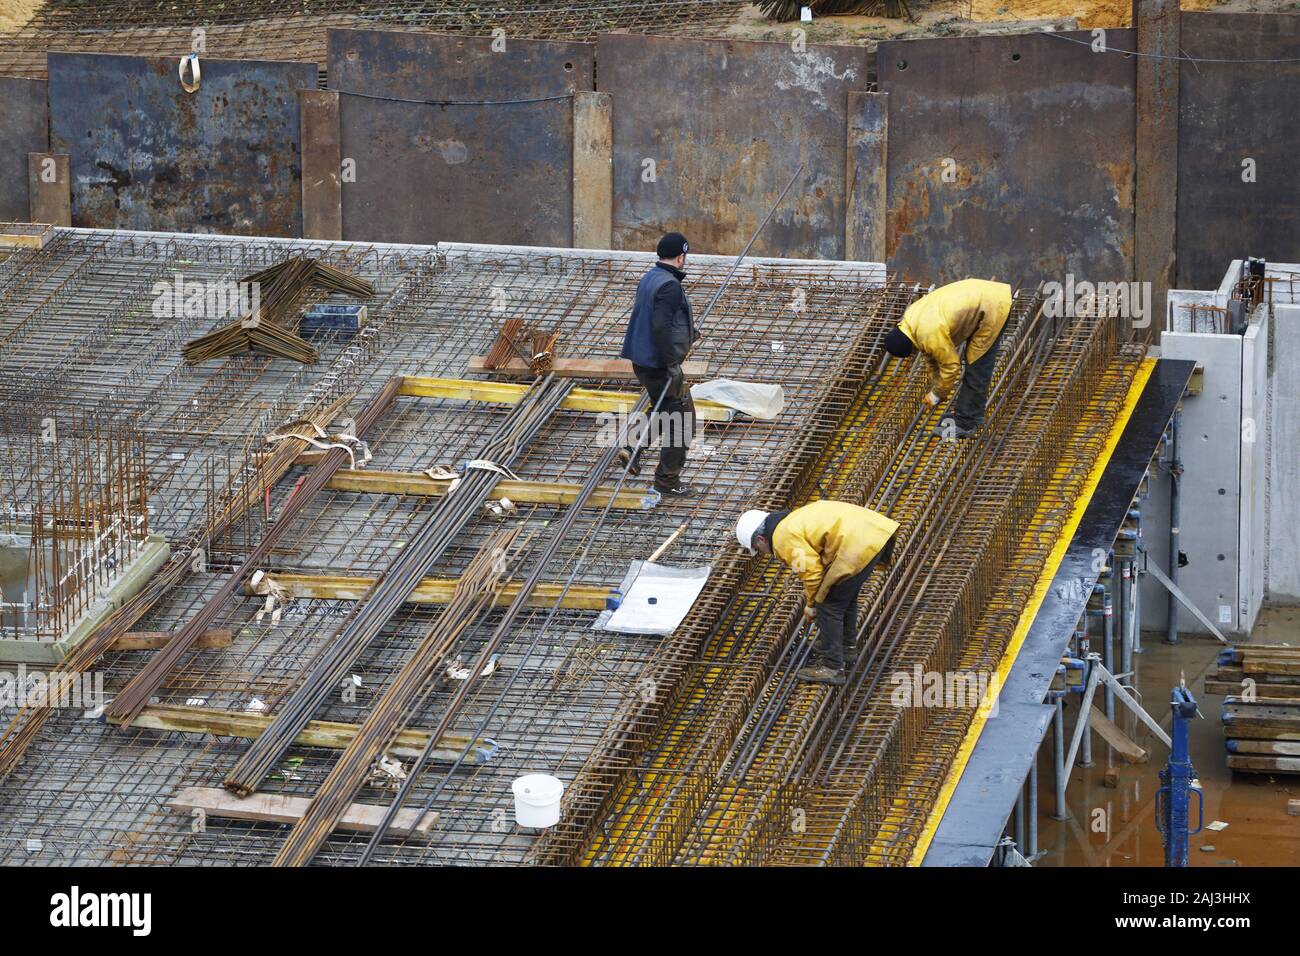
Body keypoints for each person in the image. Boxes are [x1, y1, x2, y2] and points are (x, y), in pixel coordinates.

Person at [735, 501, 899, 685]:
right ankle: (846, 646)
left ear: (761, 539)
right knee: (844, 595)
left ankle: (832, 667)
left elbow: (812, 574)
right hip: (873, 535)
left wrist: (812, 604)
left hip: (858, 546)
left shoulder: (783, 538)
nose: (762, 553)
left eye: (758, 550)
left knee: (829, 605)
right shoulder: (792, 520)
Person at [618, 232, 699, 497]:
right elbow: (661, 326)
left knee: (666, 409)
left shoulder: (651, 277)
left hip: (642, 360)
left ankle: (632, 446)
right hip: (659, 364)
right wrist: (671, 361)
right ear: (681, 256)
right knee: (683, 418)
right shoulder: (670, 286)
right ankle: (667, 481)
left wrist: (688, 335)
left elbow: (660, 320)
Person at [882, 278, 1013, 440]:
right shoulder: (910, 319)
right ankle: (970, 412)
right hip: (981, 293)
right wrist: (937, 386)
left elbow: (952, 367)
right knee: (974, 361)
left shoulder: (929, 333)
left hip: (993, 307)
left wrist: (937, 394)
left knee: (977, 364)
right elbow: (931, 356)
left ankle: (966, 423)